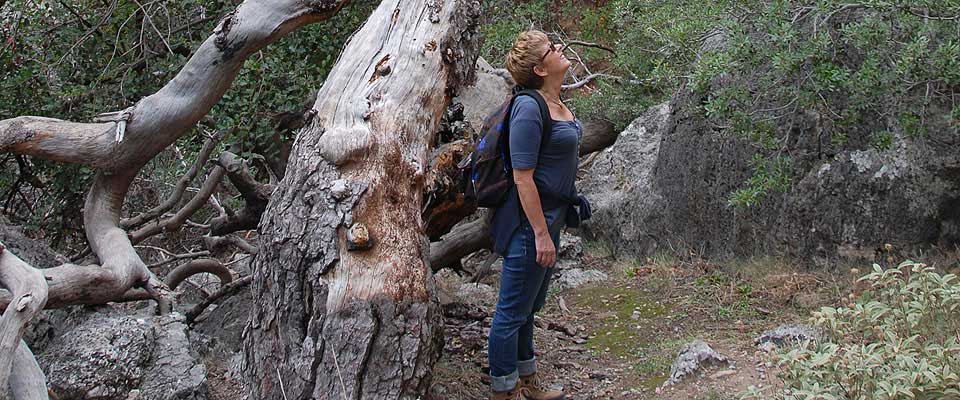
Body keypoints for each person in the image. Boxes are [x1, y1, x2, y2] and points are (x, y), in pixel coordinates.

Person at [487, 30, 583, 400]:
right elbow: (522, 179)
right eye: (551, 48)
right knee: (511, 312)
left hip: (551, 220)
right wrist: (541, 234)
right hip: (529, 225)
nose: (560, 48)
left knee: (530, 307)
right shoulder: (529, 108)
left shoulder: (556, 102)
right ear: (541, 68)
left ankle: (527, 382)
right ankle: (503, 391)